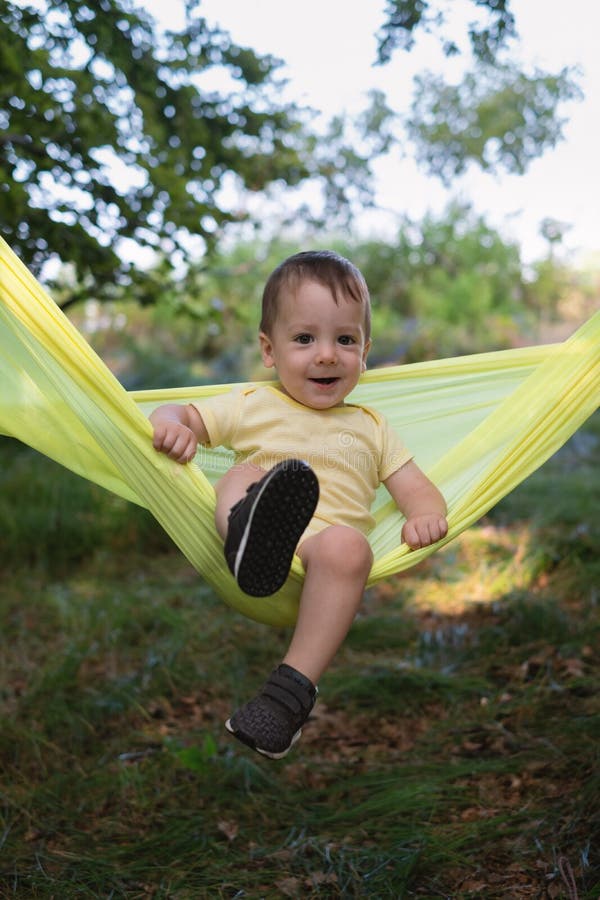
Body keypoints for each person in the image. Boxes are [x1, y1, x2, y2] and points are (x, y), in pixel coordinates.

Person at [149, 250, 448, 759]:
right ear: (269, 350)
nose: (327, 355)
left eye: (345, 340)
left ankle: (286, 700)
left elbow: (418, 489)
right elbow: (180, 414)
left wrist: (425, 515)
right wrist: (171, 425)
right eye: (305, 339)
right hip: (252, 530)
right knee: (244, 475)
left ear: (365, 352)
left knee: (350, 547)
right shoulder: (253, 404)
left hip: (320, 552)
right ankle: (249, 534)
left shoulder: (372, 427)